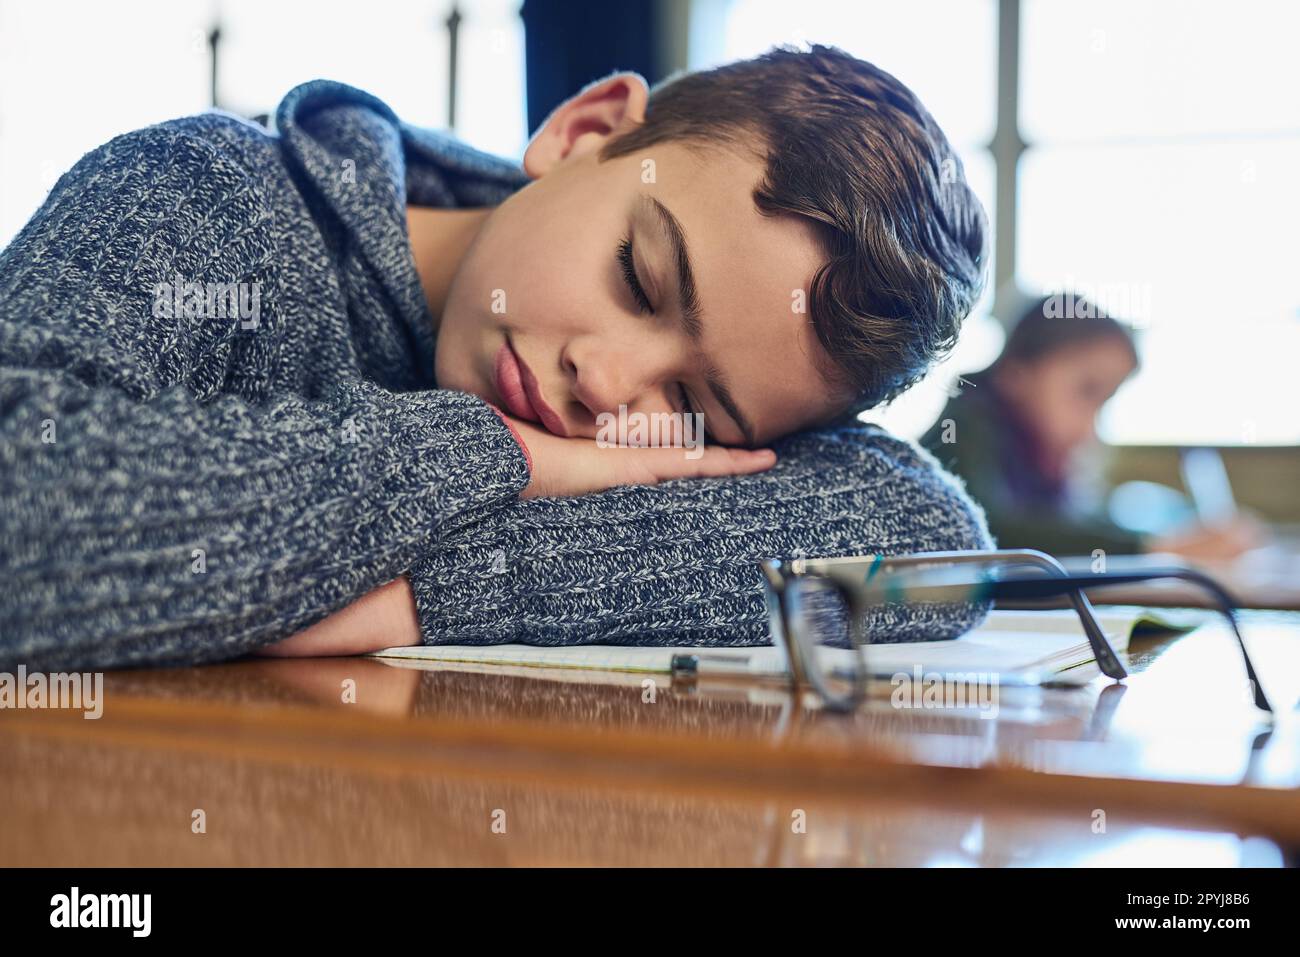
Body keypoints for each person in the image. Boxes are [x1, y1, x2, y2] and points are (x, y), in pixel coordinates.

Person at [1, 45, 993, 671]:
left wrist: (424, 598)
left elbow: (930, 545)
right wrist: (495, 454)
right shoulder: (205, 197)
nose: (606, 384)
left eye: (693, 408)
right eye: (639, 277)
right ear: (585, 132)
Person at [921, 293, 1260, 559]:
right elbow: (993, 530)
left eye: (1103, 403)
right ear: (1017, 374)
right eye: (1086, 391)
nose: (1090, 428)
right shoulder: (965, 425)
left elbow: (1069, 523)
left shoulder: (1036, 451)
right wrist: (1154, 547)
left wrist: (1175, 538)